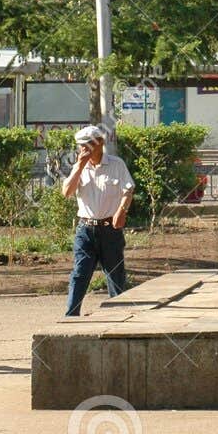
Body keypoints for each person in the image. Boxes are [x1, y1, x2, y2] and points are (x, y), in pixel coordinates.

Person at [62, 125, 136, 317]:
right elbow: (66, 192)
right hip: (86, 229)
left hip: (109, 229)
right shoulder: (79, 167)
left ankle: (120, 316)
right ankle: (71, 315)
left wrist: (122, 210)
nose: (84, 150)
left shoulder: (116, 164)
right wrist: (78, 167)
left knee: (115, 276)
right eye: (81, 146)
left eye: (88, 145)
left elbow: (128, 189)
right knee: (80, 273)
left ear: (100, 143)